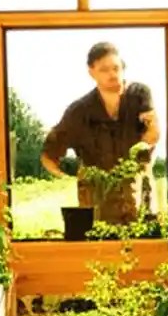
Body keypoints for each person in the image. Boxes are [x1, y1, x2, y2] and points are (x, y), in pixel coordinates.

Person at [41, 41, 160, 225]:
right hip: (97, 207)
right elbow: (49, 154)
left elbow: (153, 132)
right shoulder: (79, 111)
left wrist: (141, 153)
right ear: (91, 72)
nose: (113, 74)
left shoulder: (139, 95)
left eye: (116, 68)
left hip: (139, 198)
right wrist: (71, 174)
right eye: (105, 69)